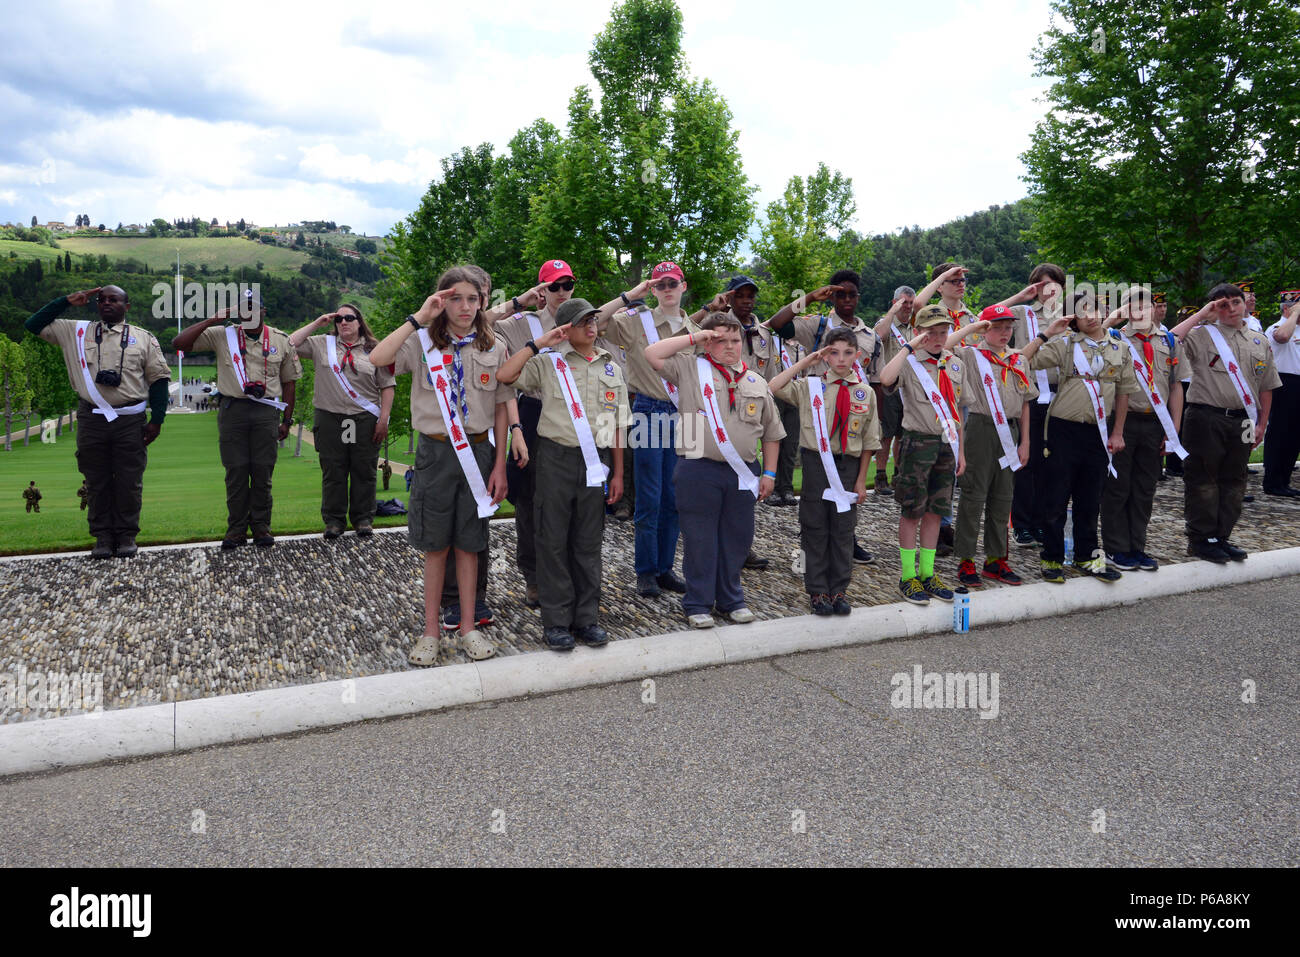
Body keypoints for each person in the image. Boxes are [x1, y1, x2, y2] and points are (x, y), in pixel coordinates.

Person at [368, 267, 510, 664]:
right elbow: (378, 358)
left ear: (482, 302)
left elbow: (500, 406)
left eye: (472, 298)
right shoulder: (421, 342)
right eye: (454, 298)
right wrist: (419, 316)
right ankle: (430, 631)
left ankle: (467, 628)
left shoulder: (493, 345)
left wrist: (499, 464)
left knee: (469, 544)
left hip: (479, 454)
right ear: (441, 300)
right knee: (435, 546)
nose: (464, 306)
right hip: (435, 453)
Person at [497, 298, 628, 651]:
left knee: (587, 541)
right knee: (552, 539)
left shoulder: (611, 367)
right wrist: (537, 343)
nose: (592, 326)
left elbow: (618, 425)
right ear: (565, 328)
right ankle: (556, 621)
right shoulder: (547, 363)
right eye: (583, 321)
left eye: (593, 321)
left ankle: (586, 618)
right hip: (554, 457)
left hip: (595, 461)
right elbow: (505, 377)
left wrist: (617, 473)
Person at [645, 313, 784, 627]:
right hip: (698, 467)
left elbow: (772, 433)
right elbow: (651, 354)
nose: (729, 346)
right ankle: (697, 603)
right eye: (720, 339)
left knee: (737, 539)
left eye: (734, 340)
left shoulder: (755, 381)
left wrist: (770, 473)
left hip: (742, 471)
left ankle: (730, 600)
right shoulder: (691, 368)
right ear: (708, 342)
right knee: (700, 540)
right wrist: (696, 338)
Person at [25, 285, 170, 557]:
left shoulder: (143, 338)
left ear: (126, 306)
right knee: (96, 481)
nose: (106, 303)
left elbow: (159, 380)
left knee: (129, 480)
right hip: (92, 419)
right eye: (102, 300)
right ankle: (102, 536)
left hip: (130, 419)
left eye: (113, 300)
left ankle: (127, 535)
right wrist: (66, 300)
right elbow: (33, 324)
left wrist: (157, 420)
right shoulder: (75, 332)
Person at [596, 262, 700, 597]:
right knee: (650, 497)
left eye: (673, 283)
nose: (667, 289)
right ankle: (645, 571)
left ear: (684, 286)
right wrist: (630, 295)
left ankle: (665, 568)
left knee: (677, 498)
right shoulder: (635, 320)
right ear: (653, 289)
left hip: (684, 416)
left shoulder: (693, 328)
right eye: (660, 284)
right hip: (648, 409)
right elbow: (595, 323)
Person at [1016, 303, 1138, 583]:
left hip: (1098, 430)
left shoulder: (1119, 348)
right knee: (1056, 497)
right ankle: (1052, 558)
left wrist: (1117, 432)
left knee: (1090, 498)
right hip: (1063, 429)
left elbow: (1124, 393)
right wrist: (1047, 334)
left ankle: (1088, 556)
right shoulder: (1066, 345)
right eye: (1082, 313)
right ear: (1073, 319)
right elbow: (1022, 361)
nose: (1090, 317)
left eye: (1095, 310)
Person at [768, 268, 882, 564]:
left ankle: (847, 541)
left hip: (854, 412)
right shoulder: (817, 325)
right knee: (816, 495)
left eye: (851, 294)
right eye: (839, 293)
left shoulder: (869, 336)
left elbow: (872, 378)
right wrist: (808, 298)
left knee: (846, 483)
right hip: (819, 411)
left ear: (859, 296)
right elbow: (777, 323)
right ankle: (812, 553)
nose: (846, 299)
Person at [174, 291, 300, 549]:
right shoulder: (224, 335)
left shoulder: (280, 339)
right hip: (233, 410)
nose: (249, 314)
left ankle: (262, 527)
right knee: (236, 472)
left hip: (266, 411)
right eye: (244, 310)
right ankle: (236, 530)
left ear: (264, 312)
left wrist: (287, 420)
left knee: (263, 471)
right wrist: (212, 319)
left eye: (255, 309)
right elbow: (180, 343)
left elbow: (289, 383)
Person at [770, 327, 879, 615]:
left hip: (849, 466)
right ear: (826, 355)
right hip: (817, 465)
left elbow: (869, 441)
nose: (840, 359)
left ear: (857, 355)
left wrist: (860, 482)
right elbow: (774, 385)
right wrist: (807, 361)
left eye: (847, 353)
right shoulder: (810, 386)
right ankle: (817, 591)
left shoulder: (864, 392)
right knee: (814, 527)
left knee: (843, 531)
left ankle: (839, 590)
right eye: (834, 352)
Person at [1169, 284, 1280, 562]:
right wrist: (1204, 314)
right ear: (1214, 308)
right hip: (1206, 417)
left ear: (1245, 304)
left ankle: (1221, 536)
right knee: (1203, 480)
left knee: (1235, 481)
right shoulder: (1201, 335)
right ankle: (1201, 539)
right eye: (1223, 304)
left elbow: (1266, 386)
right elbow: (1169, 340)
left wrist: (1262, 424)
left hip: (1243, 420)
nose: (1231, 309)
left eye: (1235, 302)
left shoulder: (1258, 340)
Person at [493, 259, 573, 609]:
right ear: (541, 288)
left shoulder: (582, 318)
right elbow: (480, 321)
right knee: (528, 500)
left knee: (569, 498)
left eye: (567, 283)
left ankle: (565, 572)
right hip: (534, 410)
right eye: (553, 285)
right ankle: (534, 576)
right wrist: (519, 301)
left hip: (574, 414)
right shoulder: (522, 323)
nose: (561, 291)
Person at [694, 274, 782, 568]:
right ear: (730, 297)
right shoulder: (714, 326)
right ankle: (711, 555)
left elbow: (767, 376)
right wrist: (710, 309)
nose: (747, 301)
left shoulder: (763, 334)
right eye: (740, 295)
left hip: (750, 405)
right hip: (713, 408)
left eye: (751, 296)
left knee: (743, 493)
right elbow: (684, 343)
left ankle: (741, 549)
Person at [879, 305, 965, 604]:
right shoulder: (909, 362)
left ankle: (928, 573)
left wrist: (961, 452)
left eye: (943, 332)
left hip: (946, 444)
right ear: (918, 333)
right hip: (917, 444)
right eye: (931, 332)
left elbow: (957, 413)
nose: (939, 338)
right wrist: (908, 347)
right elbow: (885, 378)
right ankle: (907, 575)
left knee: (935, 511)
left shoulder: (955, 364)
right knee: (912, 511)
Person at [945, 306, 1037, 587]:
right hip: (981, 429)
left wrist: (1026, 441)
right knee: (974, 496)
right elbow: (946, 346)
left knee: (1003, 497)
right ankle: (966, 559)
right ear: (986, 329)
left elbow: (1024, 401)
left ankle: (996, 559)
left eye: (1008, 327)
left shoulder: (1018, 359)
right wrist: (973, 329)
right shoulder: (972, 355)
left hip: (1009, 430)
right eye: (997, 327)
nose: (1004, 333)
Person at [288, 303, 396, 539]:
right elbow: (290, 343)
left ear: (359, 321)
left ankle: (363, 519)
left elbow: (387, 386)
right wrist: (318, 322)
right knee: (333, 471)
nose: (343, 322)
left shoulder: (374, 349)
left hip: (365, 417)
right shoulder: (321, 344)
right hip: (330, 417)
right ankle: (334, 521)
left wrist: (384, 419)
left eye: (349, 317)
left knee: (364, 470)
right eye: (339, 319)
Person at [1099, 288, 1184, 570]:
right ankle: (1116, 548)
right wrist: (1112, 320)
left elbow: (1175, 386)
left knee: (1145, 488)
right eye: (1133, 306)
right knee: (1118, 487)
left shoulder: (1169, 340)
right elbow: (1088, 339)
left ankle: (1138, 545)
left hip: (1155, 422)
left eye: (1146, 305)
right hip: (1122, 422)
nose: (1141, 311)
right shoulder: (1113, 338)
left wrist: (1173, 431)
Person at [997, 264, 1067, 545]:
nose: (1047, 290)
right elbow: (987, 315)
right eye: (1040, 285)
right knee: (1028, 461)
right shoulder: (1024, 314)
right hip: (1032, 394)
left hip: (1063, 395)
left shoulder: (1070, 317)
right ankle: (1023, 523)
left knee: (1055, 465)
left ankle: (1044, 521)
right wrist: (1020, 297)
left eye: (1052, 284)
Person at [871, 287, 915, 496]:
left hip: (910, 386)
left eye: (910, 303)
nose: (907, 307)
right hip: (889, 386)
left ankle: (898, 474)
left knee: (903, 433)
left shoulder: (915, 326)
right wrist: (892, 312)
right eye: (903, 303)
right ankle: (880, 476)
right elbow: (879, 335)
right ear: (894, 302)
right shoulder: (887, 322)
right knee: (886, 433)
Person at [1262, 294, 1300, 497]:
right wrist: (1293, 315)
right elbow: (1282, 337)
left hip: (1298, 384)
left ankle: (1284, 480)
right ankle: (1273, 481)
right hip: (1284, 383)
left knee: (1294, 436)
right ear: (1287, 308)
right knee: (1279, 433)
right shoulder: (1277, 327)